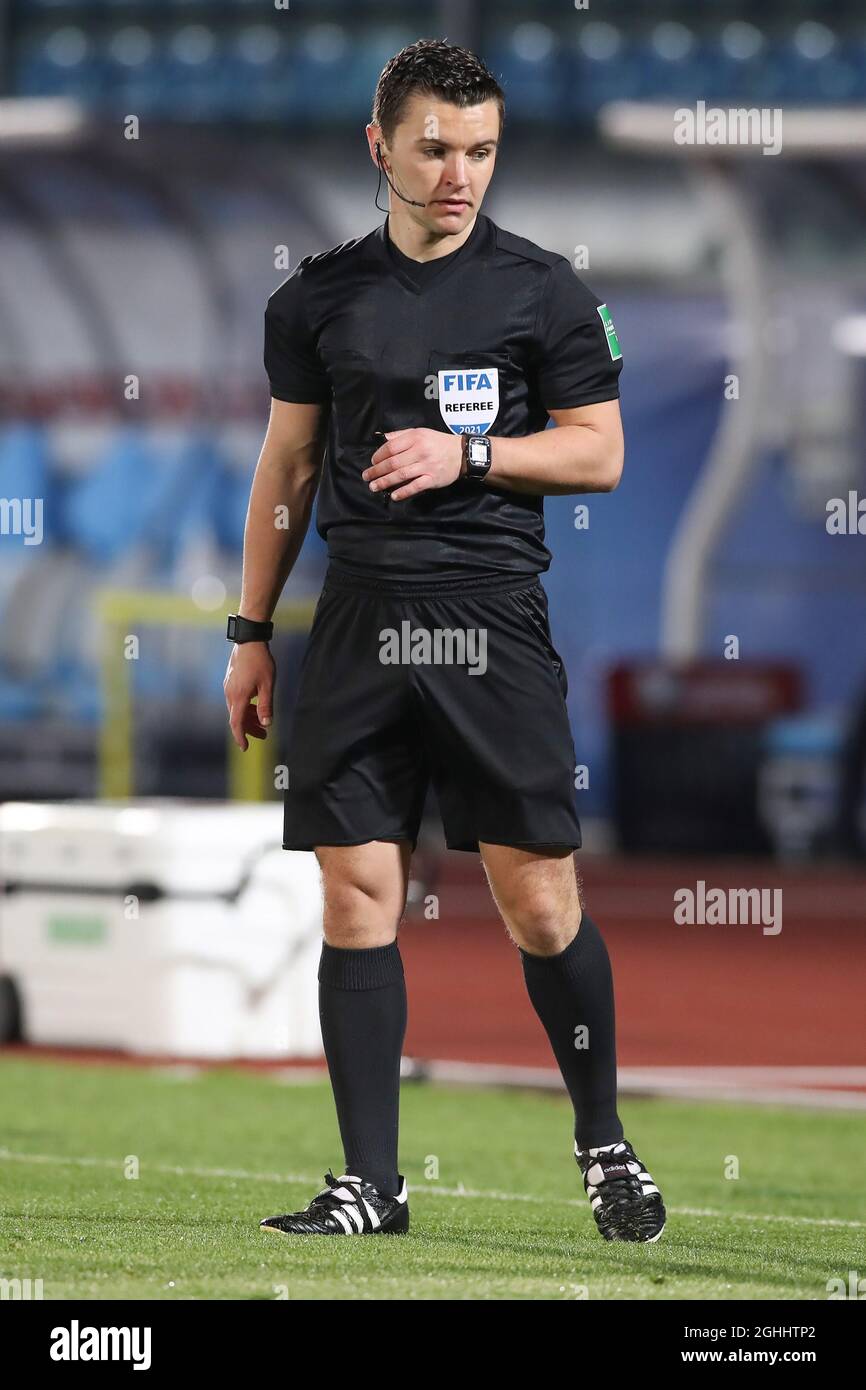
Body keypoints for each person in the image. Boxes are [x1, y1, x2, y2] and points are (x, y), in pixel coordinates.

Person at [224, 38, 665, 1243]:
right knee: (356, 895)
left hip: (489, 625)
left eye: (478, 149)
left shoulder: (546, 291)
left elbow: (599, 451)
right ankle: (371, 1183)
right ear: (380, 146)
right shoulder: (314, 297)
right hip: (357, 623)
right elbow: (289, 465)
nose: (458, 171)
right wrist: (251, 629)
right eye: (434, 147)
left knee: (538, 906)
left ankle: (601, 1142)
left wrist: (471, 452)